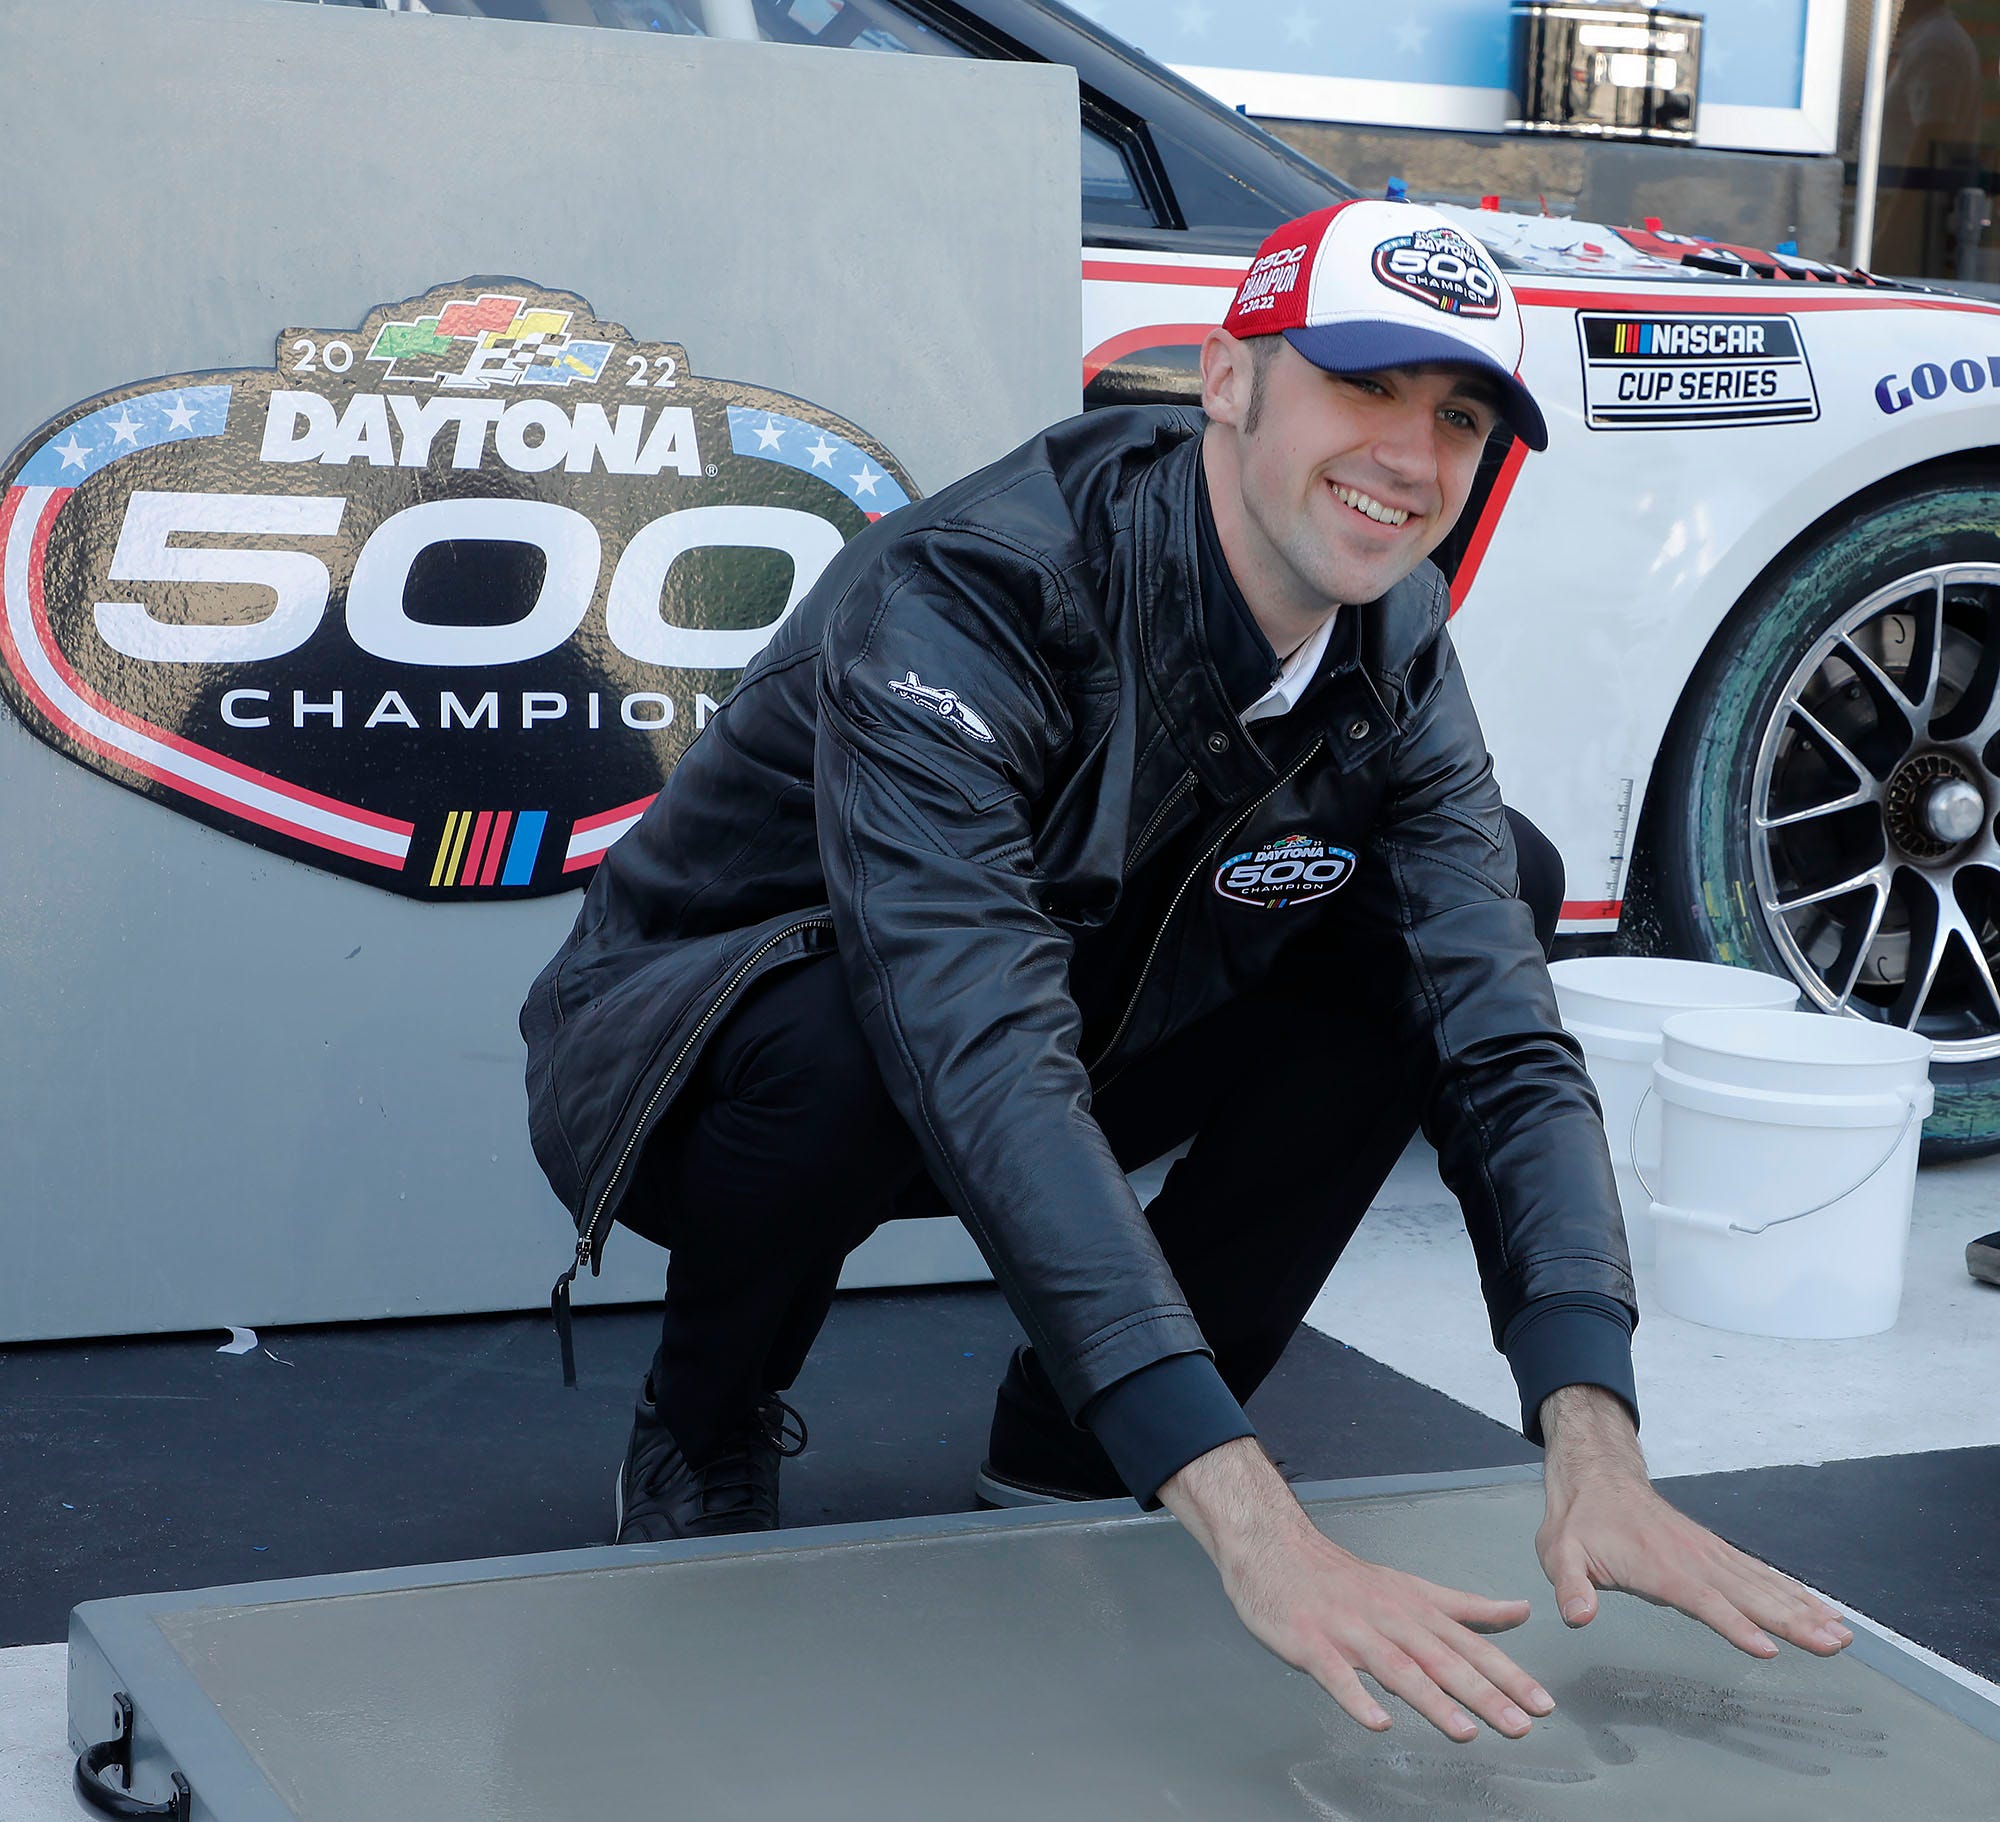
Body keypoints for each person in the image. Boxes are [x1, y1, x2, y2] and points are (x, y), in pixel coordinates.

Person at [520, 201, 1853, 1741]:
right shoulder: (971, 593)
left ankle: (1075, 1443)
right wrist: (1254, 1521)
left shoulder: (1396, 635)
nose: (1409, 457)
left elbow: (1500, 1034)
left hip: (1078, 1015)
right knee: (839, 1037)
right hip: (704, 1059)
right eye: (1364, 384)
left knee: (1485, 893)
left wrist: (1594, 1436)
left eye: (1459, 417)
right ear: (1228, 378)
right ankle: (702, 1421)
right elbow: (974, 1046)